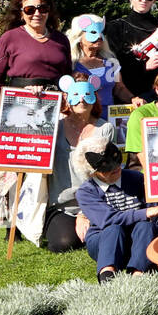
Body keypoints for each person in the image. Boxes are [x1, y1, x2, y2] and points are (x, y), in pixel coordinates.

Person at [77, 142, 158, 282]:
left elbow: (156, 213)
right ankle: (107, 276)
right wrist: (151, 211)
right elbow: (109, 219)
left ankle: (139, 275)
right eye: (107, 168)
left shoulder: (136, 178)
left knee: (145, 225)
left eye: (117, 162)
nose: (116, 168)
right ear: (93, 172)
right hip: (104, 242)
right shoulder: (86, 191)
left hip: (140, 239)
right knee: (113, 229)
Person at [41, 74, 115, 254]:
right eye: (76, 94)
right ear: (67, 96)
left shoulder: (105, 129)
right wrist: (33, 94)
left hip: (94, 201)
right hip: (60, 205)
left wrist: (85, 213)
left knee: (104, 236)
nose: (82, 99)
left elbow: (105, 175)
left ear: (94, 96)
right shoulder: (53, 127)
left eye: (87, 94)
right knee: (64, 242)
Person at [0, 0, 73, 130]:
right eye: (29, 10)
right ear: (21, 13)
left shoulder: (62, 40)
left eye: (42, 8)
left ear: (49, 11)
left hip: (54, 110)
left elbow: (68, 77)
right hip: (19, 108)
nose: (37, 13)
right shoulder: (9, 38)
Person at [67, 14, 141, 117]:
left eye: (101, 32)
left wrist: (133, 99)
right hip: (79, 119)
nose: (99, 37)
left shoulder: (111, 62)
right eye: (93, 32)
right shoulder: (71, 63)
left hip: (107, 118)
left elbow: (119, 88)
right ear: (80, 38)